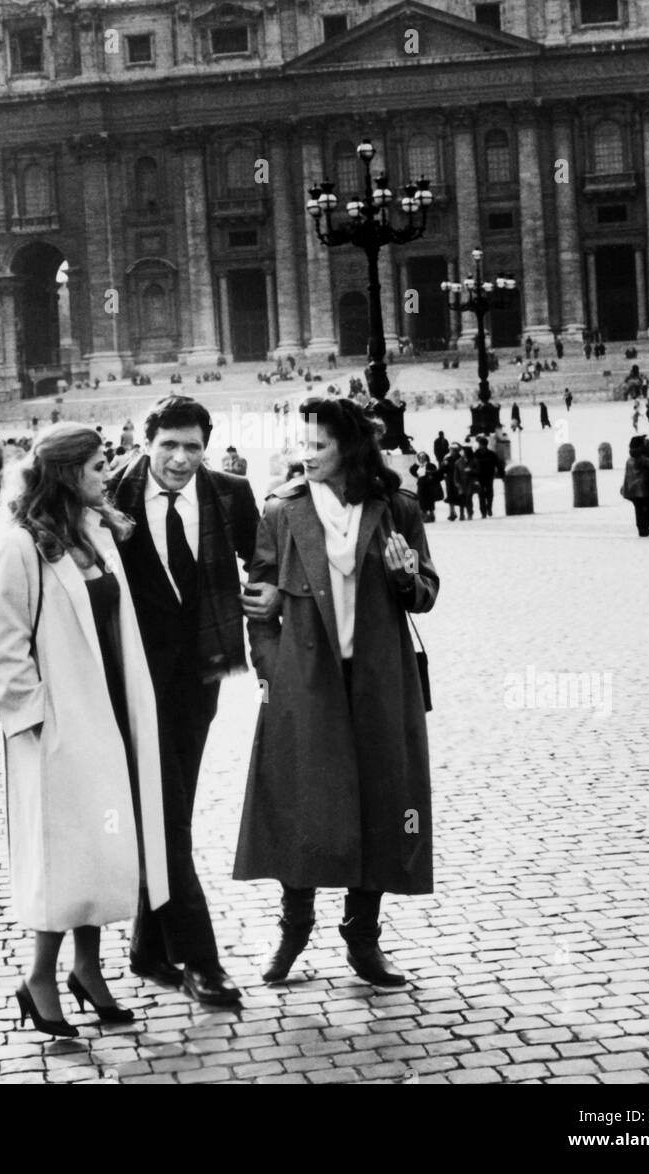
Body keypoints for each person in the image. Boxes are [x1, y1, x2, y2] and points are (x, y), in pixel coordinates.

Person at [234, 396, 439, 988]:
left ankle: (362, 936)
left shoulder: (396, 507)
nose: (305, 455)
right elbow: (258, 599)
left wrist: (406, 576)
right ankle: (294, 929)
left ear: (349, 447)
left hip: (379, 680)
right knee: (300, 802)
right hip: (305, 681)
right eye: (302, 444)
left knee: (380, 801)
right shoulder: (282, 510)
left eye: (317, 445)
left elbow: (425, 591)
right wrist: (273, 670)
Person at [0, 422, 169, 1039]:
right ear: (67, 472)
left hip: (111, 707)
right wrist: (36, 720)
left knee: (103, 846)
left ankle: (88, 970)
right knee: (65, 853)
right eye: (95, 466)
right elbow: (6, 647)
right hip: (60, 723)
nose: (105, 475)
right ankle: (39, 976)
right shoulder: (22, 547)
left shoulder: (95, 533)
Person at [109, 396, 277, 1007]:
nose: (180, 460)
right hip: (131, 679)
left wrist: (269, 595)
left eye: (193, 449)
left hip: (199, 676)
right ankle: (200, 959)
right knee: (166, 810)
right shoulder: (109, 494)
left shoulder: (230, 492)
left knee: (168, 810)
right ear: (145, 443)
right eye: (169, 447)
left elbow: (264, 559)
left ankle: (147, 948)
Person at [620, 436, 649, 537]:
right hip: (642, 489)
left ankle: (642, 528)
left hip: (632, 489)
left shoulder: (630, 458)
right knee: (645, 509)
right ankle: (644, 529)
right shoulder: (642, 459)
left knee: (639, 509)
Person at [472, 437, 504, 519]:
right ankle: (483, 512)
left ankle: (489, 508)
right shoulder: (476, 454)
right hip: (479, 477)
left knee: (489, 494)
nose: (479, 446)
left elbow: (498, 464)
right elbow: (472, 465)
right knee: (481, 494)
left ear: (483, 445)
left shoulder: (491, 454)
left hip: (489, 476)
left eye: (480, 444)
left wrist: (502, 475)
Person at [409, 452, 440, 523]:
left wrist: (429, 473)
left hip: (429, 485)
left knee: (430, 501)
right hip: (421, 485)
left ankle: (432, 515)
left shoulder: (431, 465)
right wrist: (417, 464)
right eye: (420, 457)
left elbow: (435, 472)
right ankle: (424, 516)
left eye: (423, 457)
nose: (422, 459)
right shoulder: (418, 466)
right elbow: (412, 470)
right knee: (421, 501)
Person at [453, 445, 476, 520]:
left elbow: (478, 471)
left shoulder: (473, 461)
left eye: (464, 451)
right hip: (461, 484)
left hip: (470, 483)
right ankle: (462, 514)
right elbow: (456, 475)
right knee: (462, 500)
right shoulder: (458, 462)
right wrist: (457, 484)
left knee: (469, 499)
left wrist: (471, 470)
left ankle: (470, 513)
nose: (463, 453)